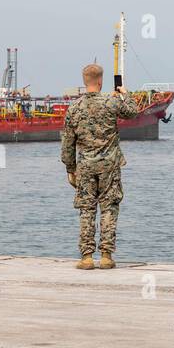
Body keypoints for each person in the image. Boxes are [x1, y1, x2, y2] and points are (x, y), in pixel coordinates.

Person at [60, 63, 140, 269]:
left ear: (84, 81)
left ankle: (86, 257)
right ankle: (106, 255)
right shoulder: (110, 103)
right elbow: (133, 111)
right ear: (101, 81)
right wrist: (125, 93)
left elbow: (68, 142)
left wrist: (70, 169)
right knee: (109, 207)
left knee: (86, 209)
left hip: (85, 165)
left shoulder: (74, 108)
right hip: (109, 165)